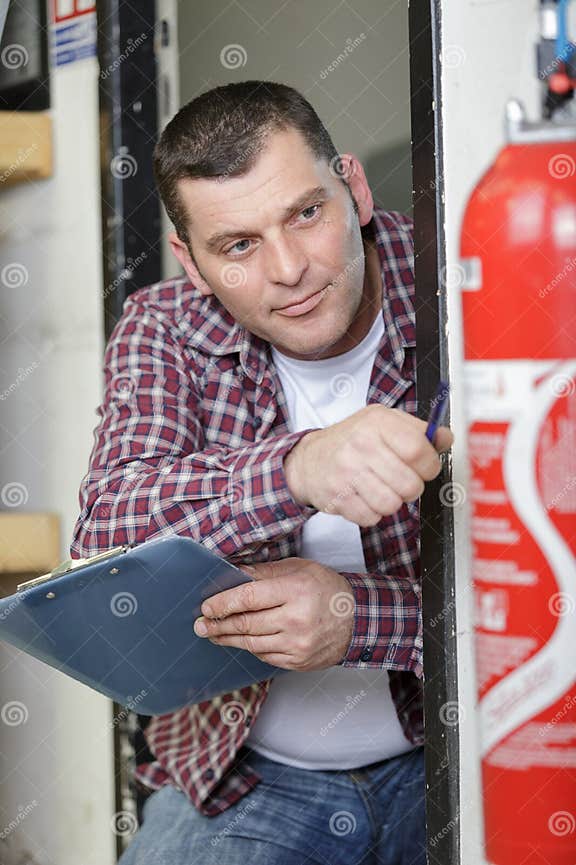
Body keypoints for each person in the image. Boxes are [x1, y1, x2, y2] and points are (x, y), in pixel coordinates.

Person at [70, 80, 454, 865]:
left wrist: (359, 616)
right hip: (244, 774)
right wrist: (295, 468)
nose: (290, 270)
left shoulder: (463, 289)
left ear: (353, 187)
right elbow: (105, 535)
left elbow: (545, 598)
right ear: (193, 262)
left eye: (306, 212)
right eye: (238, 245)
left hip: (448, 751)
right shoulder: (165, 324)